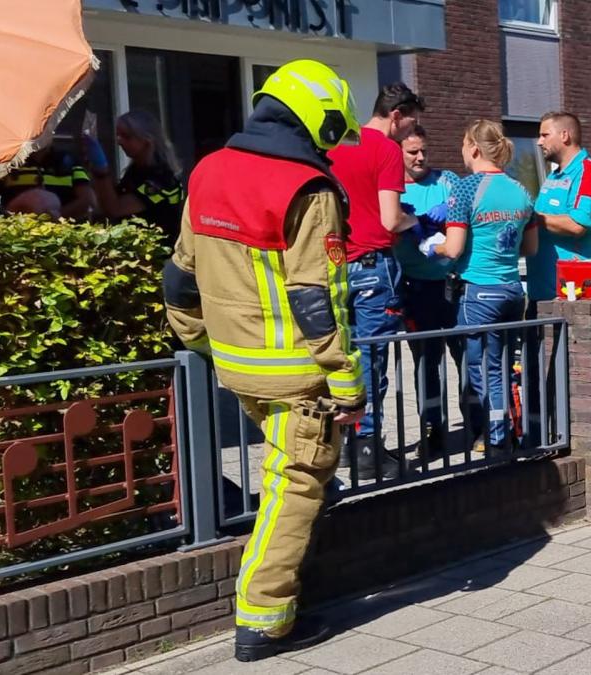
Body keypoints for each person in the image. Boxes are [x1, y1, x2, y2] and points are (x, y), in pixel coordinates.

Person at [162, 59, 364, 661]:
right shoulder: (309, 188)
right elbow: (318, 297)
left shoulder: (210, 170)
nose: (334, 143)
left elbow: (179, 277)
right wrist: (346, 380)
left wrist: (201, 339)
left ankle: (284, 595)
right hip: (299, 376)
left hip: (235, 364)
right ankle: (263, 621)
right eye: (334, 130)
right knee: (295, 488)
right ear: (316, 120)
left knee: (282, 483)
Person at [329, 83, 433, 480]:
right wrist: (417, 222)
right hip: (374, 264)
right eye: (410, 126)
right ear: (396, 115)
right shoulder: (385, 149)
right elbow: (390, 219)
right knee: (373, 359)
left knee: (344, 355)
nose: (410, 134)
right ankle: (369, 449)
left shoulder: (338, 144)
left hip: (338, 263)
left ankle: (344, 444)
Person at [424, 120, 539, 456]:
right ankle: (510, 429)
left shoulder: (464, 189)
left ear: (473, 148)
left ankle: (497, 436)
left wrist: (433, 246)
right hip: (512, 290)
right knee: (505, 366)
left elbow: (455, 248)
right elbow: (529, 247)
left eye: (462, 145)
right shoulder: (521, 191)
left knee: (482, 371)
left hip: (478, 291)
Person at [394, 125, 462, 455]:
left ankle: (478, 424)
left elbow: (466, 205)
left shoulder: (446, 180)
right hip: (415, 288)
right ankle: (433, 431)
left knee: (465, 356)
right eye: (412, 152)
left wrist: (449, 211)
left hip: (452, 284)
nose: (420, 157)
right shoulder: (391, 190)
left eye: (423, 151)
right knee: (426, 363)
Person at [526, 112, 591, 305]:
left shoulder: (588, 173)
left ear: (565, 135)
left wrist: (532, 218)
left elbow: (577, 224)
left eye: (545, 135)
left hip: (575, 297)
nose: (539, 142)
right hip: (543, 293)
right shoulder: (553, 177)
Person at [85, 110, 185, 245]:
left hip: (158, 256)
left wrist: (101, 170)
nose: (119, 142)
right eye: (118, 136)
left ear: (146, 140)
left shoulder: (161, 179)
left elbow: (115, 208)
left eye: (126, 136)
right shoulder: (136, 170)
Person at [0, 144, 96, 220]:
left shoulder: (68, 160)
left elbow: (88, 201)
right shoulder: (8, 162)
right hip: (16, 238)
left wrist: (58, 217)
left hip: (62, 237)